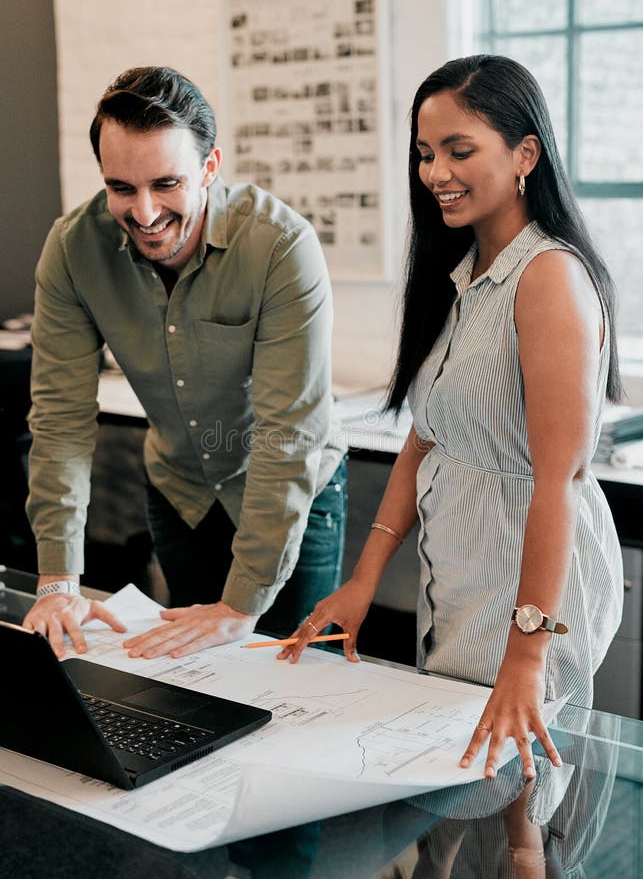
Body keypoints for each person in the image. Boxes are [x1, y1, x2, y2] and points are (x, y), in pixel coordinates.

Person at [281, 54, 624, 784]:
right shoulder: (467, 275)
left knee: (520, 812)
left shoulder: (548, 279)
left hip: (528, 605)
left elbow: (557, 483)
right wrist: (364, 577)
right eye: (425, 153)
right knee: (462, 803)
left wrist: (525, 656)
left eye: (458, 150)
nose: (435, 171)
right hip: (460, 590)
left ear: (524, 153)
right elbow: (426, 434)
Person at [22, 65, 347, 661]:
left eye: (166, 184)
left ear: (210, 167)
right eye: (121, 188)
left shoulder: (279, 247)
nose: (144, 213)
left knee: (299, 682)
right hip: (180, 493)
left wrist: (241, 606)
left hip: (288, 490)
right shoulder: (74, 249)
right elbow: (60, 422)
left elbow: (288, 434)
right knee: (192, 678)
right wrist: (58, 581)